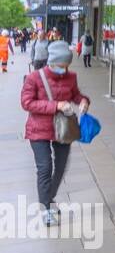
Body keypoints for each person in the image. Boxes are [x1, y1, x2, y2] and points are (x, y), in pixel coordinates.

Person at [20, 41, 88, 226]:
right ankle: (46, 209)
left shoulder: (71, 77)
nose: (64, 69)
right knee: (45, 168)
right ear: (52, 62)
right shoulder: (35, 77)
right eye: (61, 66)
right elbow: (26, 103)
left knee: (60, 167)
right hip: (38, 128)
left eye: (66, 66)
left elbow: (76, 95)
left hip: (63, 129)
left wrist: (83, 101)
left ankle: (48, 199)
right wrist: (55, 105)